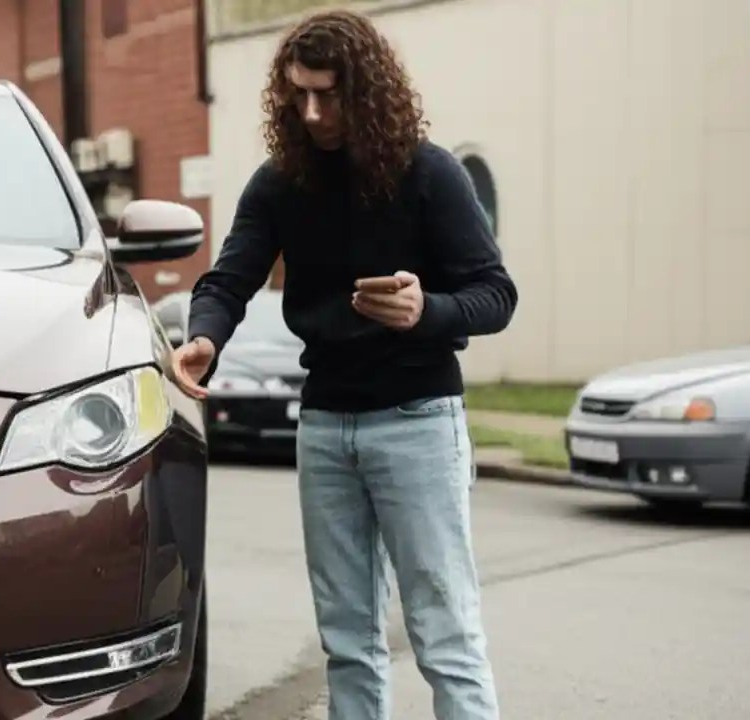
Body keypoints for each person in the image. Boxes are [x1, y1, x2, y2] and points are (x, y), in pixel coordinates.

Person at [169, 9, 516, 720]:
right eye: (298, 95)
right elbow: (227, 280)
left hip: (418, 421)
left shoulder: (430, 173)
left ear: (367, 91)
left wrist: (429, 310)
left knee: (443, 631)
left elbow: (495, 294)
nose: (313, 112)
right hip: (325, 426)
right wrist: (206, 335)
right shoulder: (280, 181)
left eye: (328, 95)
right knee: (347, 638)